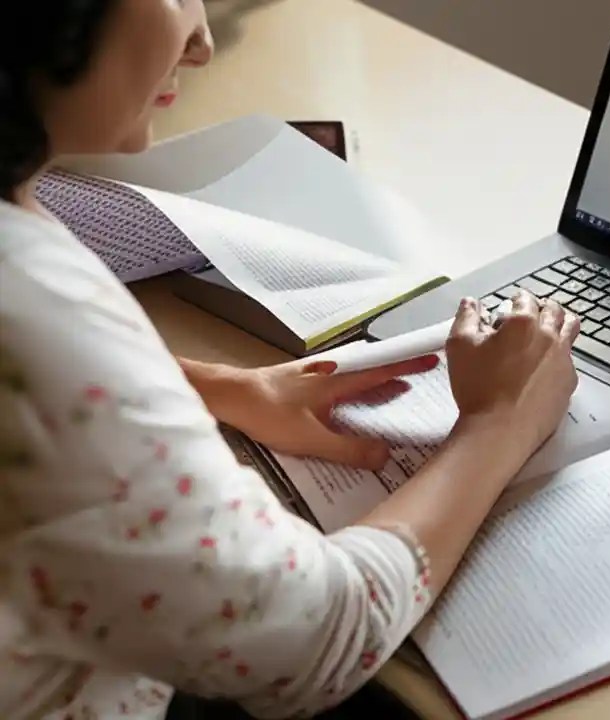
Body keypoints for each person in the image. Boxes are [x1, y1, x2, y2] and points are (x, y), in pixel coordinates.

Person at [0, 2, 580, 718]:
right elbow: (320, 636)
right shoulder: (32, 312)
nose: (203, 43)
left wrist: (214, 385)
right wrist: (499, 423)